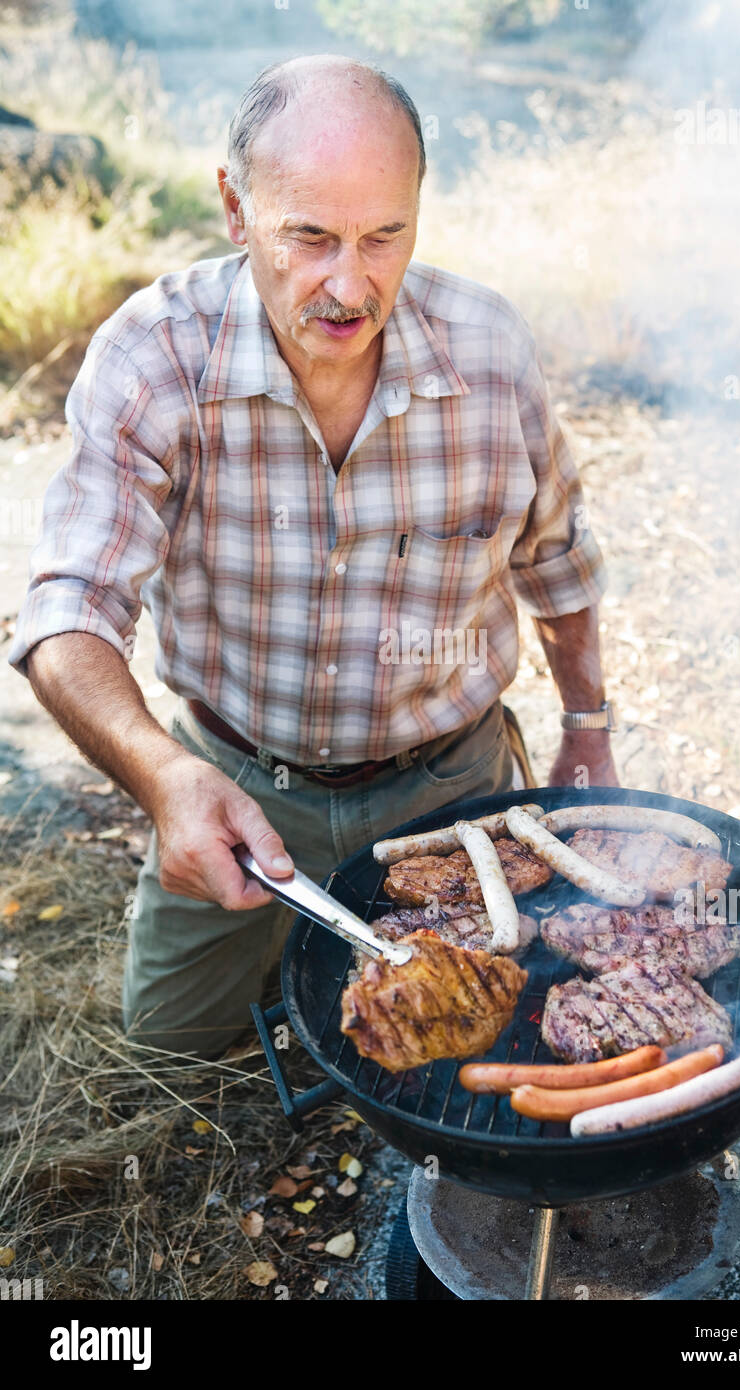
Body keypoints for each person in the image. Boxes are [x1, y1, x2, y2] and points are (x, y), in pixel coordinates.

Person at [9, 55, 617, 1058]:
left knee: (488, 1051)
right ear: (233, 207)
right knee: (171, 1052)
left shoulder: (489, 351)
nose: (350, 284)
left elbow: (556, 560)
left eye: (385, 237)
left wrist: (587, 726)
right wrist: (166, 779)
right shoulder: (154, 358)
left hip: (447, 798)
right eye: (310, 237)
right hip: (240, 787)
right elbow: (66, 612)